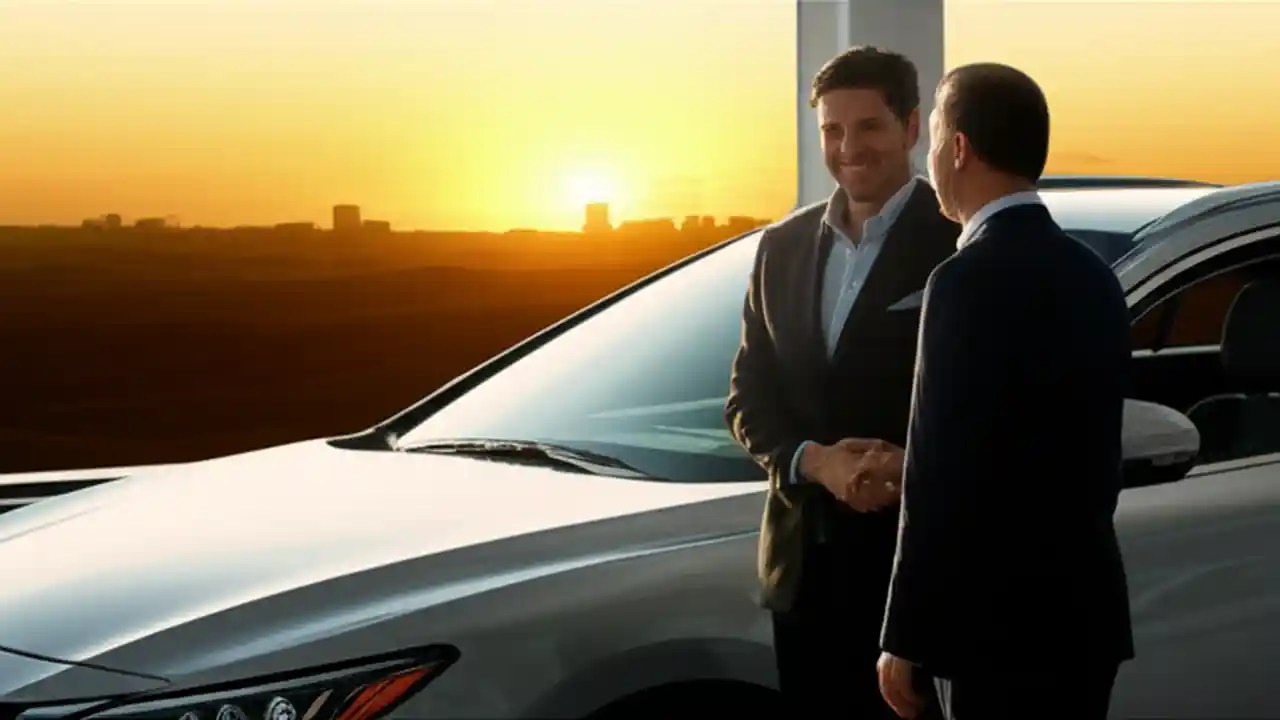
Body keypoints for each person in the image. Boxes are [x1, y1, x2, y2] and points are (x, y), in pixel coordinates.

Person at [875, 62, 1135, 720]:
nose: (928, 154)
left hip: (994, 635)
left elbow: (938, 473)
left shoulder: (964, 282)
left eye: (933, 132)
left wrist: (904, 636)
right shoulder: (1094, 277)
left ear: (958, 147)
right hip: (1084, 621)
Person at [724, 46, 959, 719]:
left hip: (914, 581)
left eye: (869, 127)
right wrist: (813, 461)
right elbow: (747, 397)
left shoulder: (960, 243)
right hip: (801, 579)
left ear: (913, 128)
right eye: (832, 130)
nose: (848, 148)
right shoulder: (781, 247)